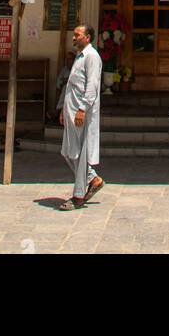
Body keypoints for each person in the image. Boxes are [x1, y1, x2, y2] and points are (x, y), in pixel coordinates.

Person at [59, 24, 103, 210]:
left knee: (79, 152)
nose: (74, 37)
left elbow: (91, 86)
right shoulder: (80, 56)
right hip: (71, 111)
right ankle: (93, 178)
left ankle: (78, 196)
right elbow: (71, 86)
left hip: (80, 113)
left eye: (78, 35)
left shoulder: (92, 57)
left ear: (88, 37)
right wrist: (63, 109)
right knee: (69, 151)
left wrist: (82, 109)